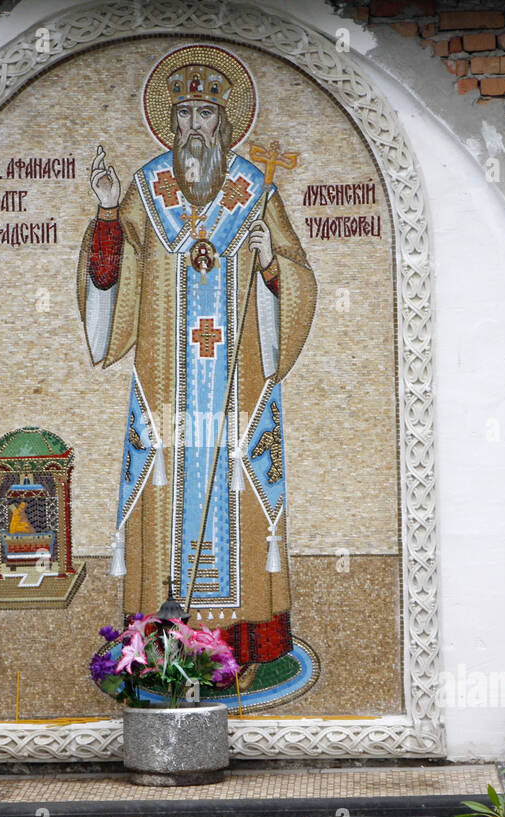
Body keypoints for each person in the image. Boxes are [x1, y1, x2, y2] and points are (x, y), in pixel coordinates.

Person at [77, 46, 316, 666]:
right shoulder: (146, 188)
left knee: (237, 491)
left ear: (224, 121)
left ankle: (244, 643)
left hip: (238, 389)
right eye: (182, 115)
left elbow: (295, 275)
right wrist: (107, 210)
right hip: (165, 388)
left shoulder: (256, 190)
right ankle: (156, 649)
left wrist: (267, 261)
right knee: (166, 490)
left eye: (204, 114)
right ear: (171, 122)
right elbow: (112, 274)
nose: (192, 127)